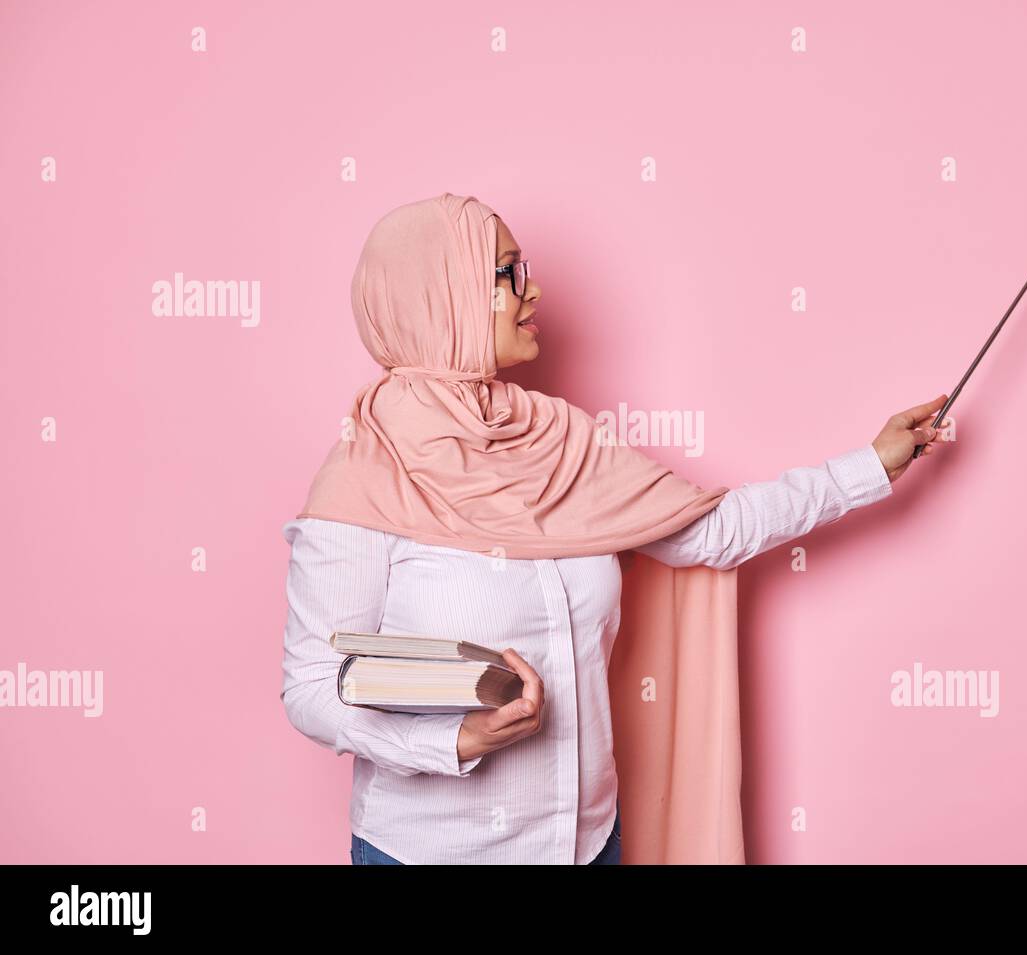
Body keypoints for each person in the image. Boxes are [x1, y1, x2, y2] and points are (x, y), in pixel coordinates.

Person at [280, 193, 946, 865]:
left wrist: (870, 466)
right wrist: (453, 742)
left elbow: (709, 530)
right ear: (443, 294)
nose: (532, 289)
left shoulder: (560, 438)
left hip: (588, 844)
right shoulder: (366, 472)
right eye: (507, 273)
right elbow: (311, 685)